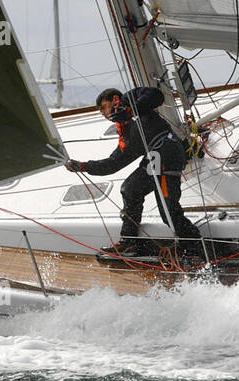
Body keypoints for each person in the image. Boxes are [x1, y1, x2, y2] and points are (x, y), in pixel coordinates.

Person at [65, 87, 203, 258]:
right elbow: (113, 164)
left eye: (104, 107)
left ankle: (196, 249)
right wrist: (84, 166)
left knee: (168, 211)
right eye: (101, 112)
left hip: (168, 154)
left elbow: (156, 95)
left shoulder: (130, 99)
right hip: (154, 161)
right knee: (130, 189)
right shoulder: (126, 135)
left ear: (115, 99)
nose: (103, 113)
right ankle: (129, 242)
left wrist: (130, 109)